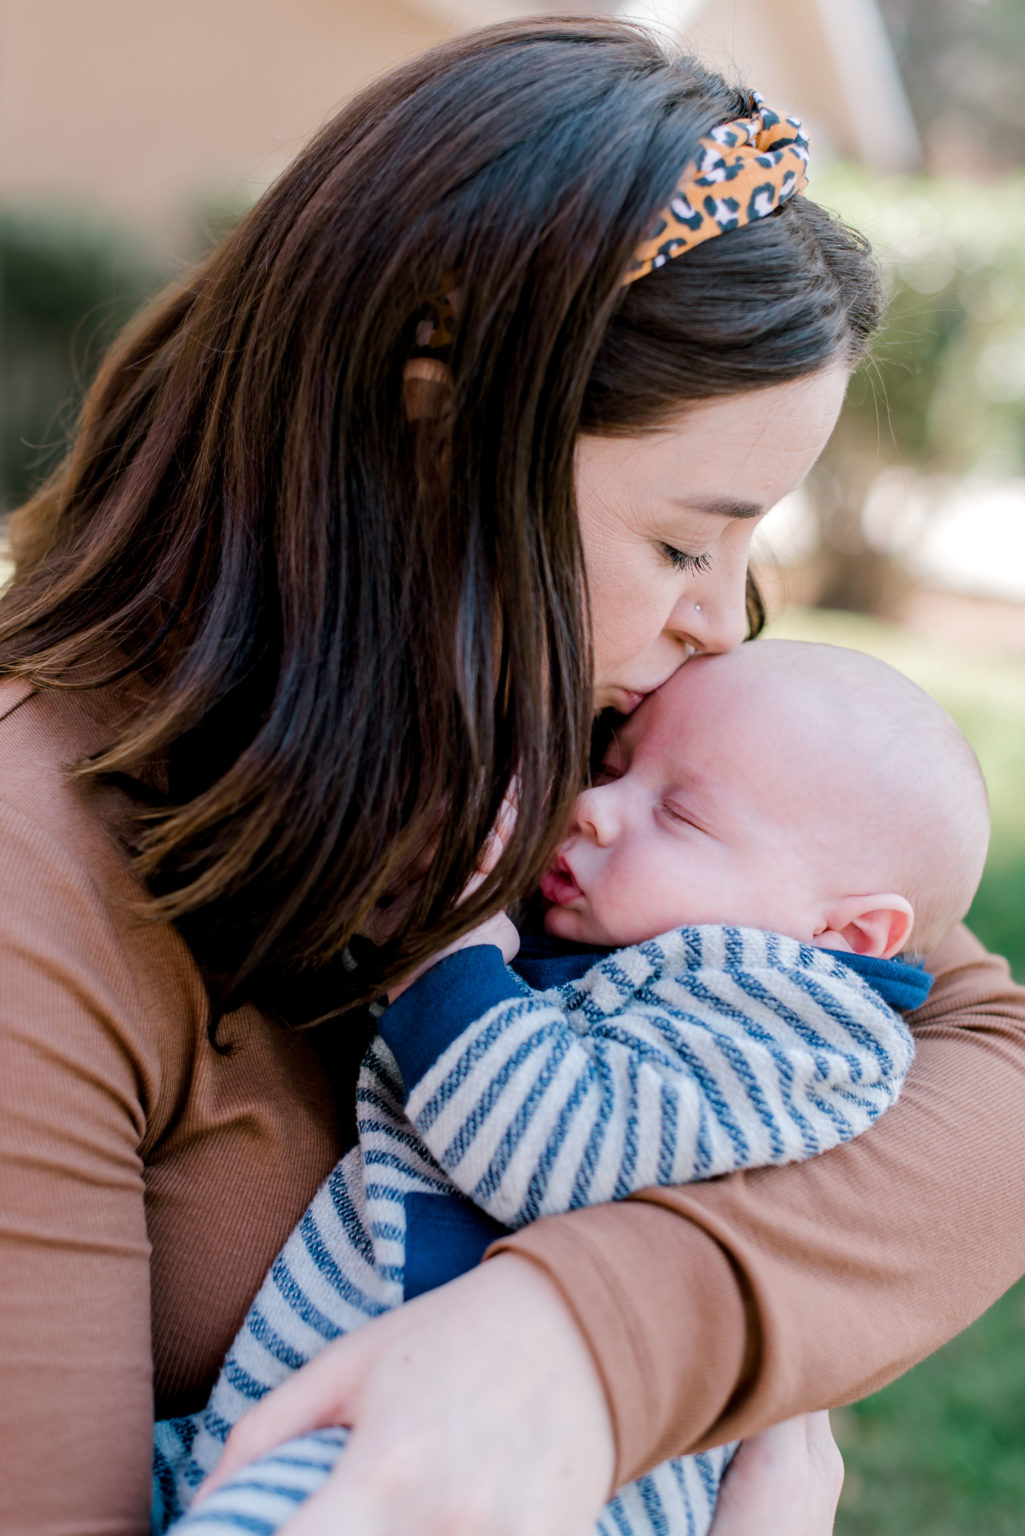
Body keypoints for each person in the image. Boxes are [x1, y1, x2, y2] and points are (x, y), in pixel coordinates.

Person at [1, 18, 1023, 1536]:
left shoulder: (589, 733)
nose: (719, 624)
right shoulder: (41, 884)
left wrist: (588, 1342)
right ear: (434, 430)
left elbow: (986, 1056)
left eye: (752, 545)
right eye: (684, 540)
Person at [153, 638, 988, 1536]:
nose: (590, 807)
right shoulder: (651, 940)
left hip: (485, 1468)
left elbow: (568, 1149)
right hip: (311, 1411)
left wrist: (448, 961)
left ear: (849, 935)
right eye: (613, 766)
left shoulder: (787, 1024)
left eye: (680, 816)